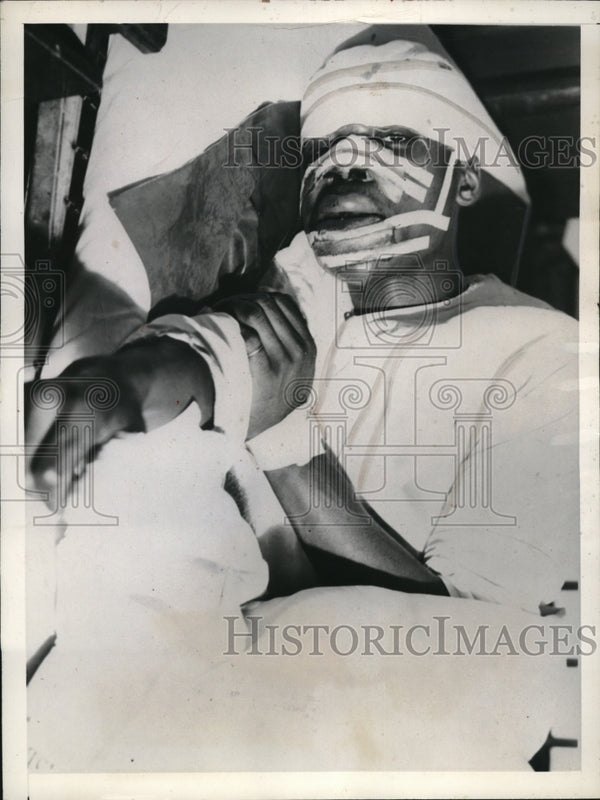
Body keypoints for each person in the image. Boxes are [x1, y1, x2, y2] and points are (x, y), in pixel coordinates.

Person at [28, 34, 578, 616]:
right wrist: (118, 385)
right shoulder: (308, 284)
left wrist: (286, 438)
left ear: (464, 181)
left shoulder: (545, 354)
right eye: (329, 145)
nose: (346, 165)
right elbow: (218, 358)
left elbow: (463, 633)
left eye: (393, 140)